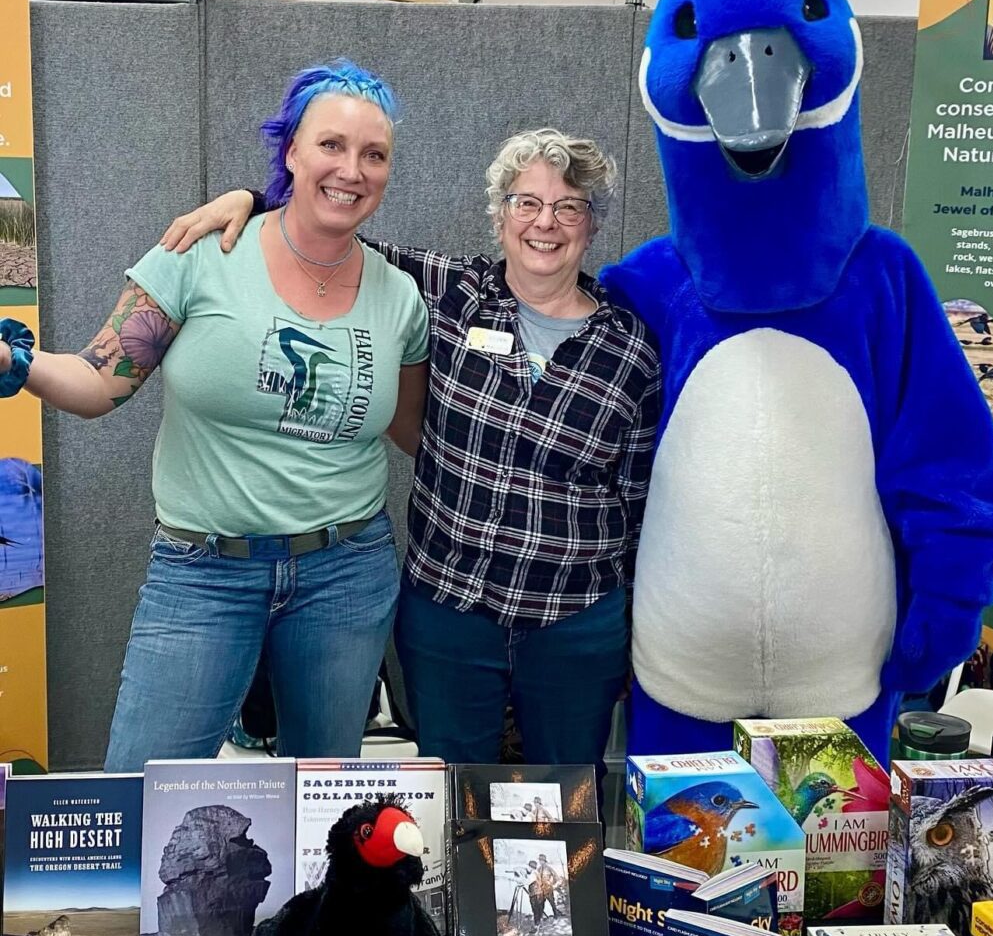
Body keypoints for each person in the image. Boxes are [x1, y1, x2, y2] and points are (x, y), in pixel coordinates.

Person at [160, 128, 661, 785]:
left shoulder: (629, 348)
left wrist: (635, 628)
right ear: (499, 215)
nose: (545, 222)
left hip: (574, 621)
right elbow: (332, 232)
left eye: (569, 206)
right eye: (527, 202)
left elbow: (636, 502)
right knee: (454, 798)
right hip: (450, 613)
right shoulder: (451, 292)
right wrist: (254, 200)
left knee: (566, 801)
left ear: (592, 224)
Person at [0, 59, 429, 771]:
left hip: (345, 576)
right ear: (291, 151)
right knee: (142, 791)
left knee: (321, 804)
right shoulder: (201, 256)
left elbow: (414, 431)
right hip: (203, 573)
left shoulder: (400, 295)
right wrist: (15, 362)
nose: (351, 169)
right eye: (330, 144)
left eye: (374, 154)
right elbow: (99, 380)